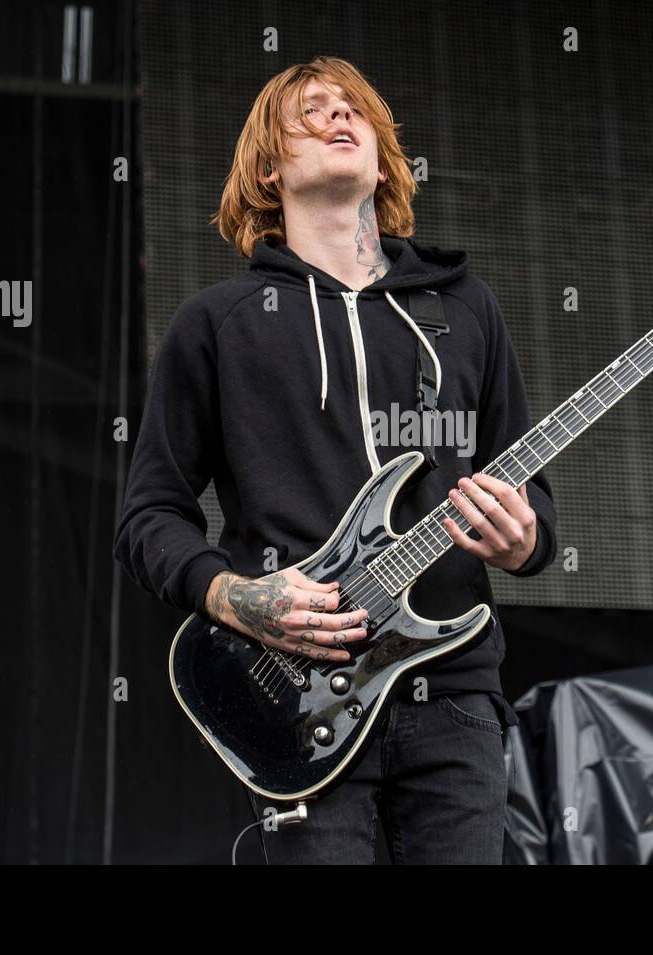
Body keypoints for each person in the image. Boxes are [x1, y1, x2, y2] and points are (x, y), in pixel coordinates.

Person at [113, 56, 556, 864]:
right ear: (269, 167)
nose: (338, 117)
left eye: (355, 111)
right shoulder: (217, 323)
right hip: (297, 694)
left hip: (451, 689)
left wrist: (525, 538)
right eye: (311, 111)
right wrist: (237, 595)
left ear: (383, 162)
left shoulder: (463, 310)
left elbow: (533, 504)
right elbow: (149, 515)